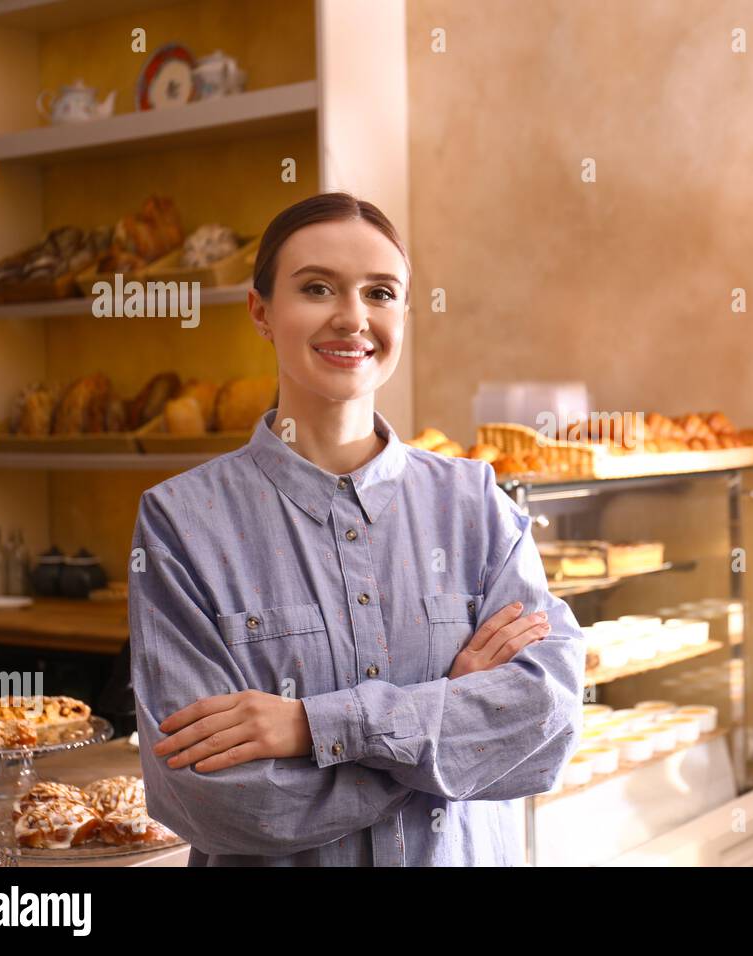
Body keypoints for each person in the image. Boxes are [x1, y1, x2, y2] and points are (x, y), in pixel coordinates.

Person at [127, 191, 586, 865]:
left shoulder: (477, 503)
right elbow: (212, 800)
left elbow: (545, 724)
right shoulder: (181, 523)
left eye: (380, 293)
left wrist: (310, 726)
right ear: (261, 311)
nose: (352, 318)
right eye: (317, 288)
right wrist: (446, 725)